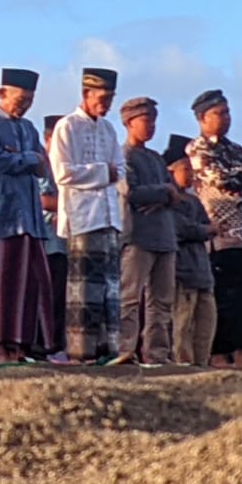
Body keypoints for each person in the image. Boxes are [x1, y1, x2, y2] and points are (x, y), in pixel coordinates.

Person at [0, 68, 54, 363]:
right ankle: (1, 346)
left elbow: (43, 167)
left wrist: (29, 161)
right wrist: (28, 159)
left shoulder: (30, 129)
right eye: (20, 99)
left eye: (29, 101)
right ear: (2, 94)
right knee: (3, 285)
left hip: (31, 220)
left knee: (33, 283)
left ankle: (25, 347)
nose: (24, 106)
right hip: (3, 216)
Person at [187, 89, 242, 369]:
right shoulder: (198, 149)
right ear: (202, 118)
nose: (226, 118)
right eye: (219, 113)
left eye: (228, 112)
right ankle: (220, 353)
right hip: (223, 236)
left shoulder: (236, 149)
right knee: (226, 298)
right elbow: (219, 180)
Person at [52, 68, 125, 364]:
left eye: (110, 99)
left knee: (110, 289)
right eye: (102, 98)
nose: (105, 105)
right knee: (84, 290)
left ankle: (109, 351)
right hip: (83, 216)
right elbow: (63, 172)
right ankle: (80, 353)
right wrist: (100, 172)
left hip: (109, 216)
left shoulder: (108, 129)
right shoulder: (66, 127)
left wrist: (107, 174)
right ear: (86, 94)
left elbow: (120, 169)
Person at [118, 95, 177, 365]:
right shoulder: (124, 155)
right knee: (130, 298)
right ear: (129, 123)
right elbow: (131, 192)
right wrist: (162, 193)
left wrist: (162, 195)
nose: (151, 126)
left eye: (154, 120)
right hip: (138, 237)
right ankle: (125, 350)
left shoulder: (155, 158)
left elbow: (175, 194)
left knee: (162, 302)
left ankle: (157, 354)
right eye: (146, 120)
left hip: (165, 236)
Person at [166, 134, 216, 367]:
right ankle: (183, 363)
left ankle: (202, 362)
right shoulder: (170, 201)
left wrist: (206, 229)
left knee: (206, 321)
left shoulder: (194, 201)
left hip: (202, 270)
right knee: (183, 323)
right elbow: (183, 229)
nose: (191, 173)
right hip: (182, 270)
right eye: (186, 168)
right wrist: (205, 229)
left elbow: (207, 226)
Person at [40, 114, 67, 357]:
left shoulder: (67, 165)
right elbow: (44, 200)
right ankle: (45, 346)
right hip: (47, 240)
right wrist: (71, 202)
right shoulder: (42, 165)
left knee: (63, 297)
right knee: (46, 296)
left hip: (67, 242)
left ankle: (59, 346)